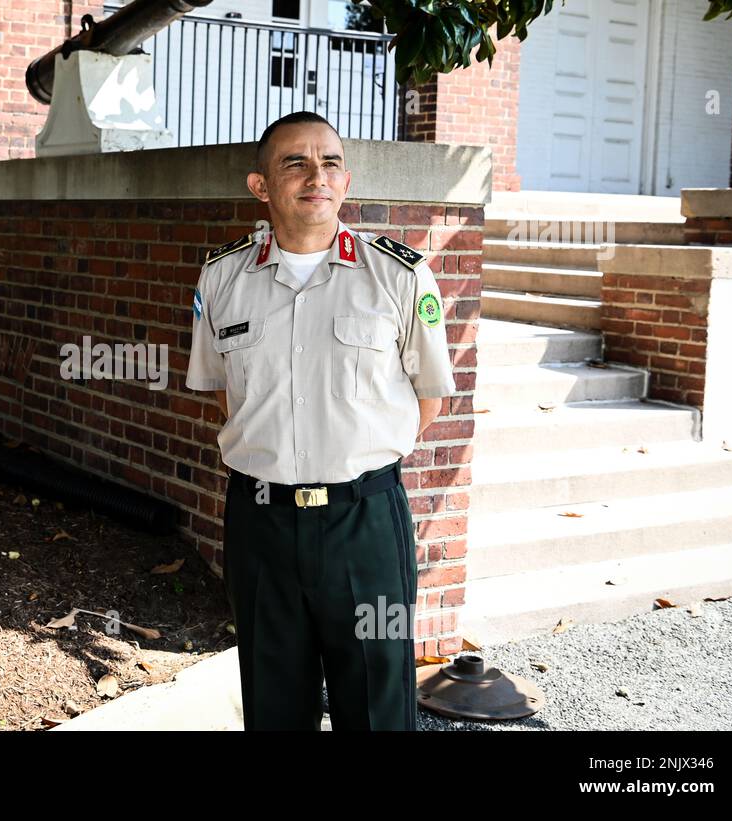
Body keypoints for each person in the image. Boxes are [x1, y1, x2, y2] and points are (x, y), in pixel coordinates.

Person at [185, 111, 457, 730]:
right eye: (295, 162)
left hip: (364, 524)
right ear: (261, 187)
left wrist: (353, 459)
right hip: (261, 522)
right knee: (274, 700)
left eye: (330, 161)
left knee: (377, 704)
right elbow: (225, 394)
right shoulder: (222, 279)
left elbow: (429, 398)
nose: (317, 175)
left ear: (346, 177)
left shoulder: (399, 274)